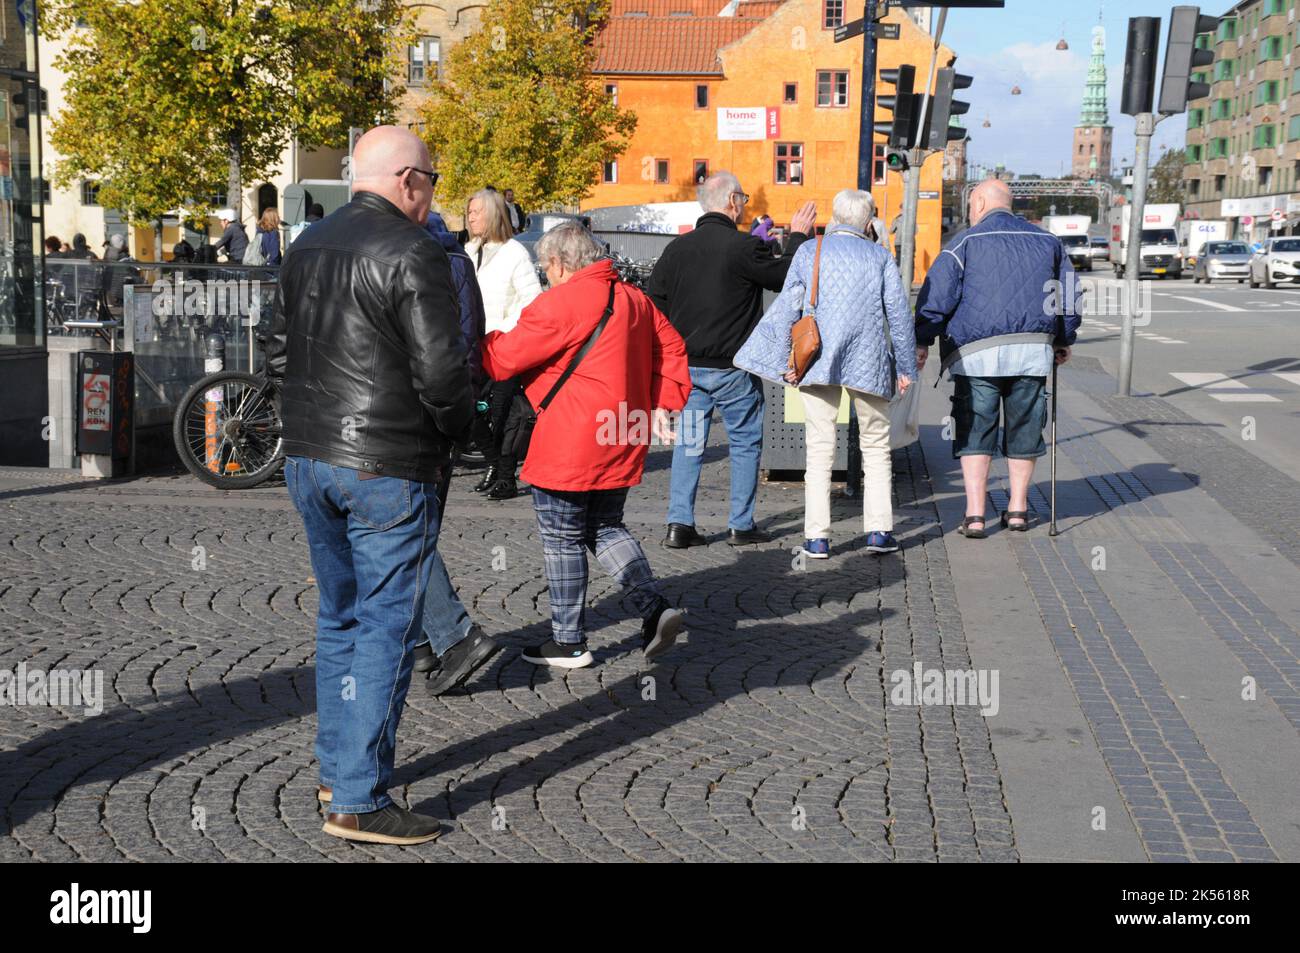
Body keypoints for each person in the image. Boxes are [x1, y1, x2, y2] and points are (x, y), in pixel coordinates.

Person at [266, 124, 474, 845]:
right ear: (409, 181)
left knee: (340, 617)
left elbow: (275, 349)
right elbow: (444, 373)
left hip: (310, 456)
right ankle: (357, 796)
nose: (432, 197)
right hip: (387, 462)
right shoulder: (416, 249)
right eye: (432, 182)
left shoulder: (306, 244)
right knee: (387, 623)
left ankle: (336, 767)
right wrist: (455, 430)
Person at [481, 223, 691, 668]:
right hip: (621, 430)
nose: (545, 275)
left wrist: (478, 339)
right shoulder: (634, 299)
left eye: (545, 268)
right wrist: (663, 405)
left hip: (571, 438)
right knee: (605, 527)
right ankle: (654, 609)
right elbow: (672, 350)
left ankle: (569, 641)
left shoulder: (559, 302)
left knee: (562, 538)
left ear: (559, 263)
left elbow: (503, 360)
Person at [734, 189, 916, 558]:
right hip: (870, 362)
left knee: (818, 449)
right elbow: (898, 315)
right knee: (876, 448)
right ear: (867, 223)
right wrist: (906, 366)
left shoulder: (809, 250)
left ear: (834, 218)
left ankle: (817, 538)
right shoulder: (880, 256)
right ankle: (879, 531)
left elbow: (789, 305)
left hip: (817, 358)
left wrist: (777, 357)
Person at [646, 170, 815, 549]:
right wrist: (799, 237)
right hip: (733, 367)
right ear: (731, 202)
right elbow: (785, 276)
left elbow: (655, 304)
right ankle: (740, 524)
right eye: (743, 199)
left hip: (687, 367)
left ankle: (679, 525)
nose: (744, 205)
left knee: (689, 445)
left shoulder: (677, 249)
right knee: (744, 442)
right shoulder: (742, 248)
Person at [914, 178, 1081, 538]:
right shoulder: (1048, 242)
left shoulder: (964, 243)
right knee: (1025, 428)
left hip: (976, 357)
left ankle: (975, 515)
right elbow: (1067, 294)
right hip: (1033, 352)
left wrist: (922, 339)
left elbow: (937, 296)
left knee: (976, 429)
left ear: (979, 202)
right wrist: (1064, 338)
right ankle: (1018, 509)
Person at [408, 210, 502, 695]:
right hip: (440, 412)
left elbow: (462, 343)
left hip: (416, 418)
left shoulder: (429, 261)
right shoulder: (456, 261)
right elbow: (468, 339)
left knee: (407, 535)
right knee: (413, 530)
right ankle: (423, 641)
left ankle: (452, 636)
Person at [463, 187, 542, 501]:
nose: (470, 217)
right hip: (472, 346)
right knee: (469, 411)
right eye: (469, 212)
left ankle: (506, 476)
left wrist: (503, 330)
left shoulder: (514, 252)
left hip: (504, 347)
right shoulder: (469, 250)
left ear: (493, 214)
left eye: (476, 211)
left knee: (504, 414)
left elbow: (531, 300)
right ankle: (495, 464)